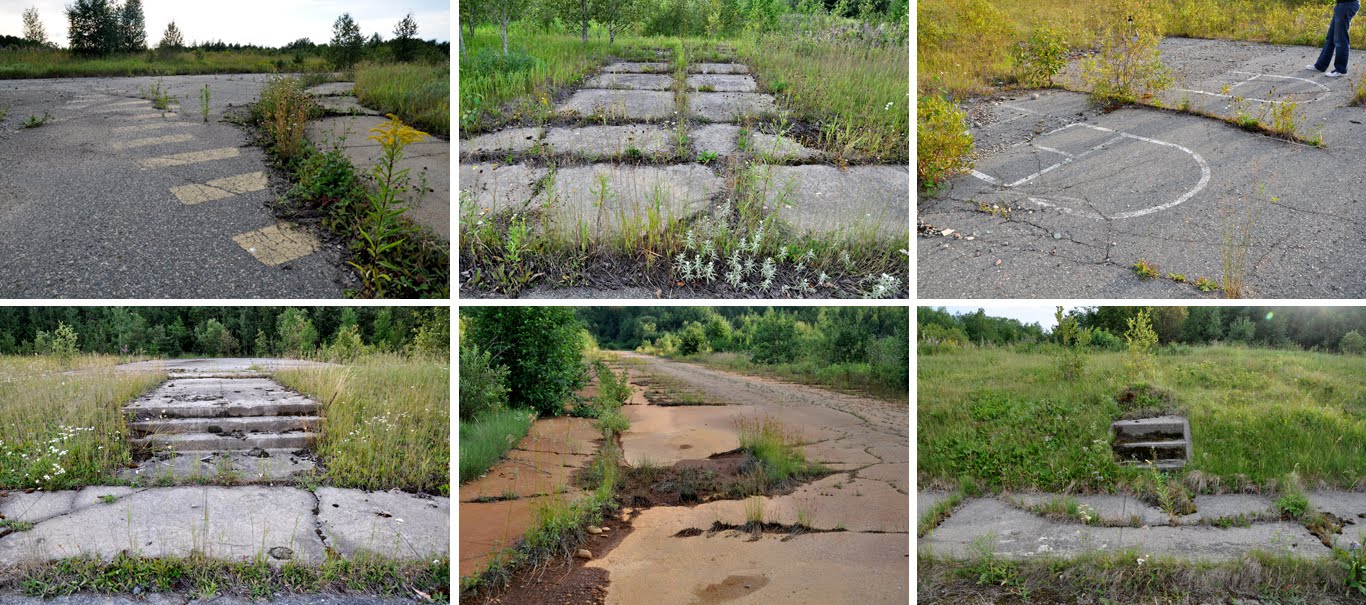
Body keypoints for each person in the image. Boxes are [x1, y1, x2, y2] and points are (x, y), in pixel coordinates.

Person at [1308, 0, 1362, 77]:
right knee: (1330, 37)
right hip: (1341, 5)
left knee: (1341, 39)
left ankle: (1341, 69)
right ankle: (1321, 65)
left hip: (1347, 5)